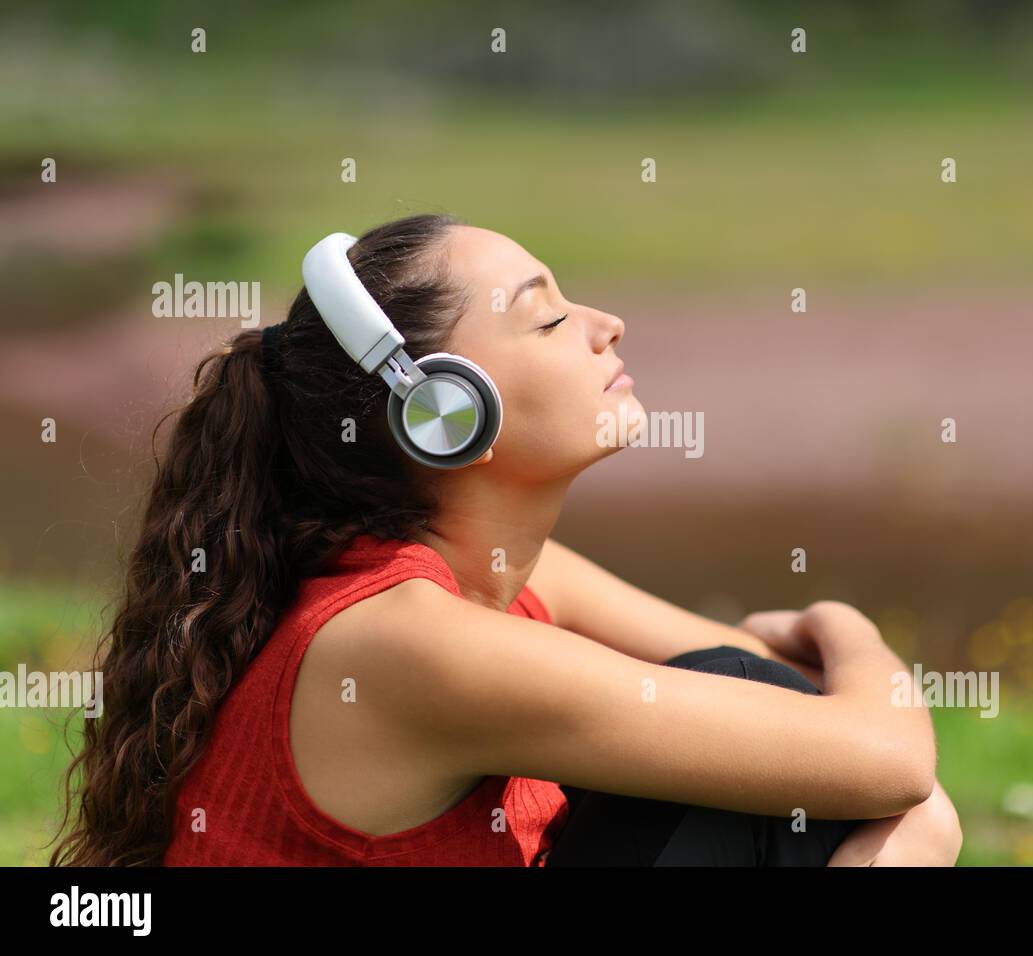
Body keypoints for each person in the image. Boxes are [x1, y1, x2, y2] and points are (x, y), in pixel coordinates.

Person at [50, 213, 961, 866]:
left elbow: (780, 698)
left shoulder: (494, 579)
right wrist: (850, 627)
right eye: (552, 317)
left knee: (759, 717)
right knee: (898, 815)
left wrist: (842, 722)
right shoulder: (408, 641)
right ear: (443, 411)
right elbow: (887, 760)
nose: (608, 326)